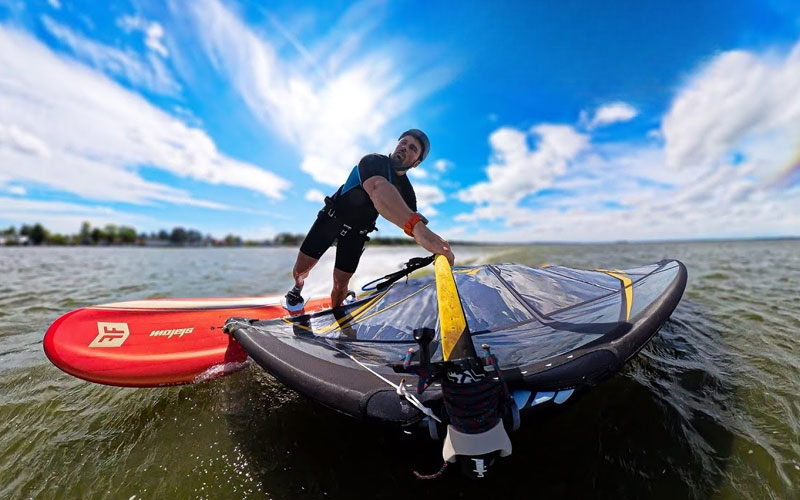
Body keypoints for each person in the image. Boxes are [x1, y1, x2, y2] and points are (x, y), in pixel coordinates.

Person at [283, 129, 455, 311]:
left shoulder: (408, 193)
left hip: (357, 234)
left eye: (412, 148)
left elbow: (411, 220)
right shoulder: (372, 161)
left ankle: (337, 314)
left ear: (416, 163)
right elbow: (377, 189)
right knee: (301, 270)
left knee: (340, 285)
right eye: (403, 142)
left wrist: (437, 247)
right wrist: (419, 230)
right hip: (330, 221)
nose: (405, 147)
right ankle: (297, 288)